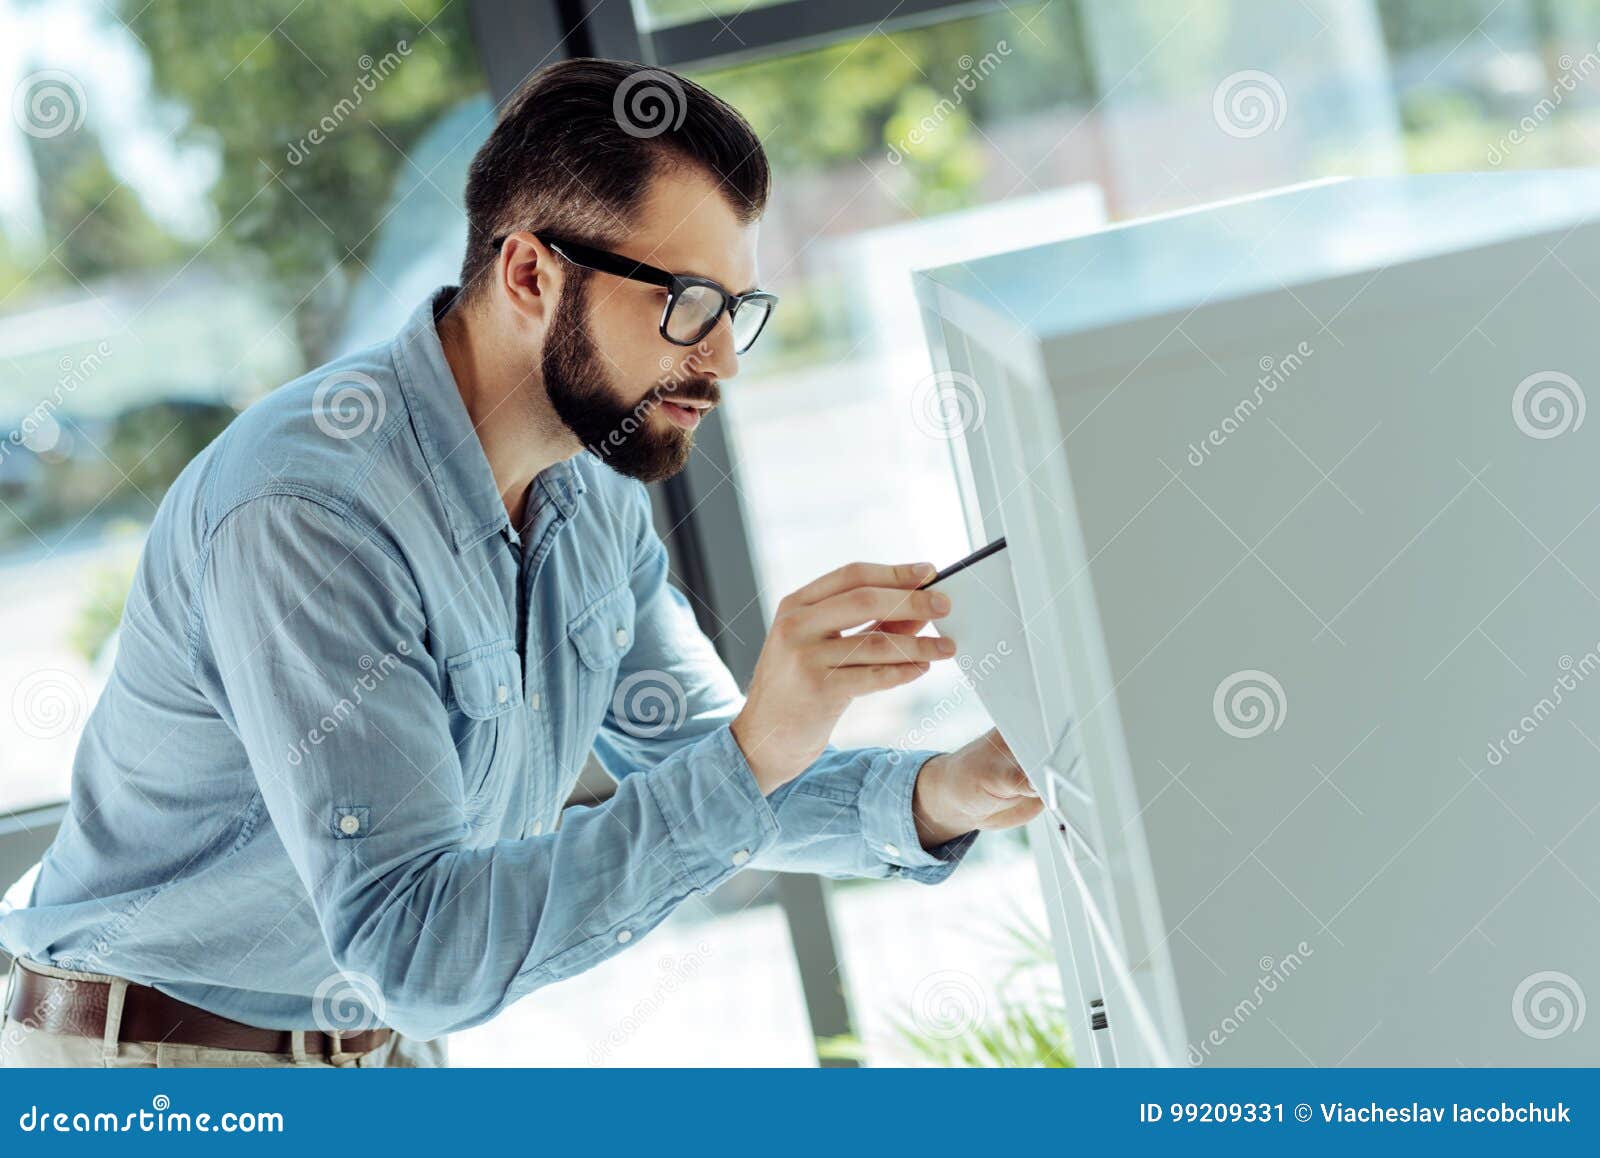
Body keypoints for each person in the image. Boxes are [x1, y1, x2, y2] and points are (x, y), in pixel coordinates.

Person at [0, 58, 1041, 1068]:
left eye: (737, 310)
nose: (721, 357)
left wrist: (947, 789)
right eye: (685, 301)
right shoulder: (310, 513)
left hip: (375, 1049)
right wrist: (754, 750)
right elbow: (414, 945)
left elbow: (698, 766)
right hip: (154, 1070)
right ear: (531, 272)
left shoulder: (589, 497)